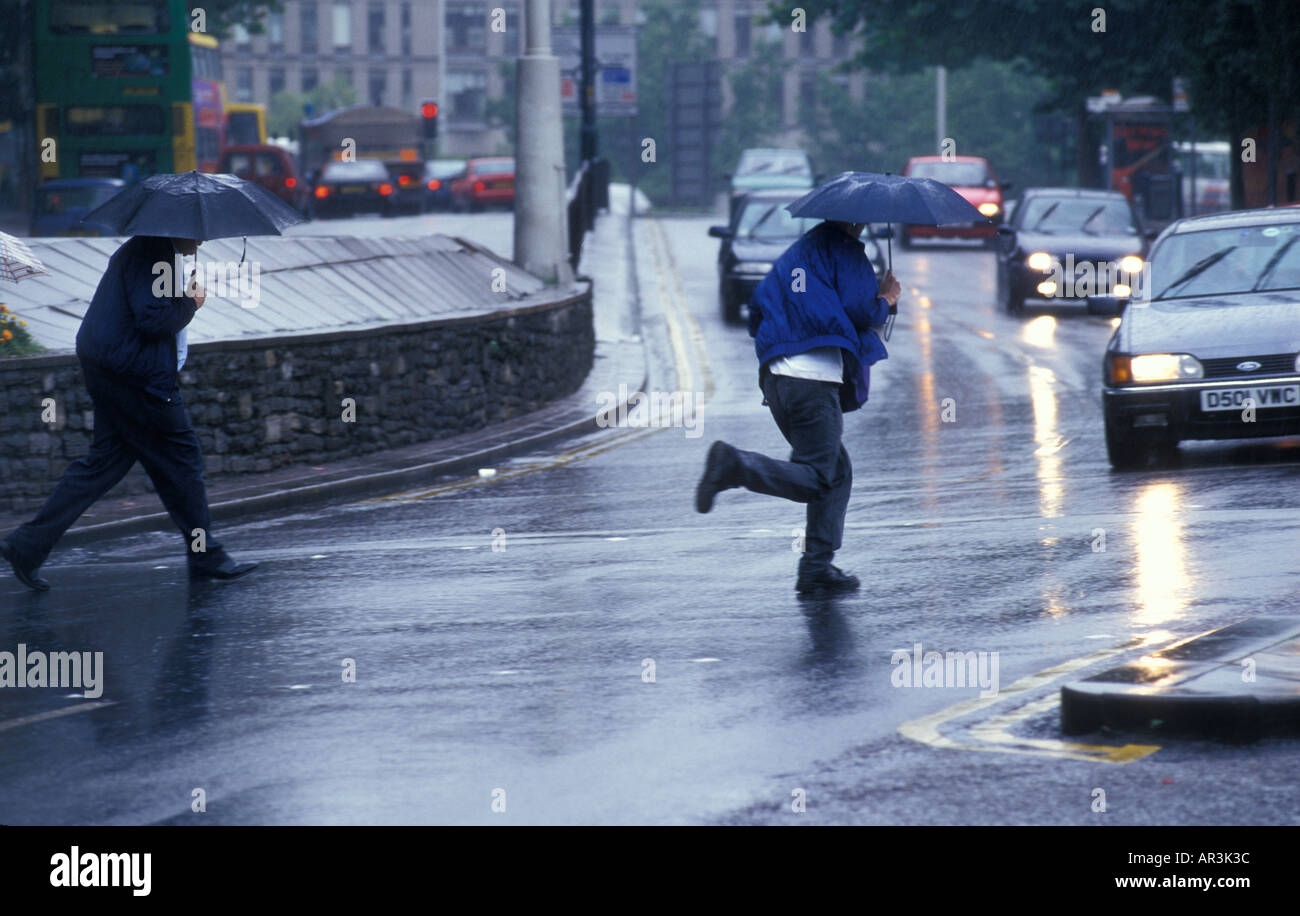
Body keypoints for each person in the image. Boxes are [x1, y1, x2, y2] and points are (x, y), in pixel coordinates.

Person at [0, 235, 257, 591]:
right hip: (137, 377)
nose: (201, 240)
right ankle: (206, 555)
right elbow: (152, 319)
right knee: (183, 460)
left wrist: (181, 296)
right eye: (196, 233)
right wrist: (191, 302)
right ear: (174, 227)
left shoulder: (146, 251)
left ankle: (26, 546)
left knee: (104, 464)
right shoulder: (152, 252)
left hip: (112, 370)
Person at [694, 219, 900, 598]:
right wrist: (886, 298)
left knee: (836, 470)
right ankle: (735, 465)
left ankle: (816, 569)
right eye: (863, 219)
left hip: (777, 379)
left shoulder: (798, 252)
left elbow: (757, 309)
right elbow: (863, 313)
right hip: (813, 382)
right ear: (854, 220)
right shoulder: (847, 251)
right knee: (819, 477)